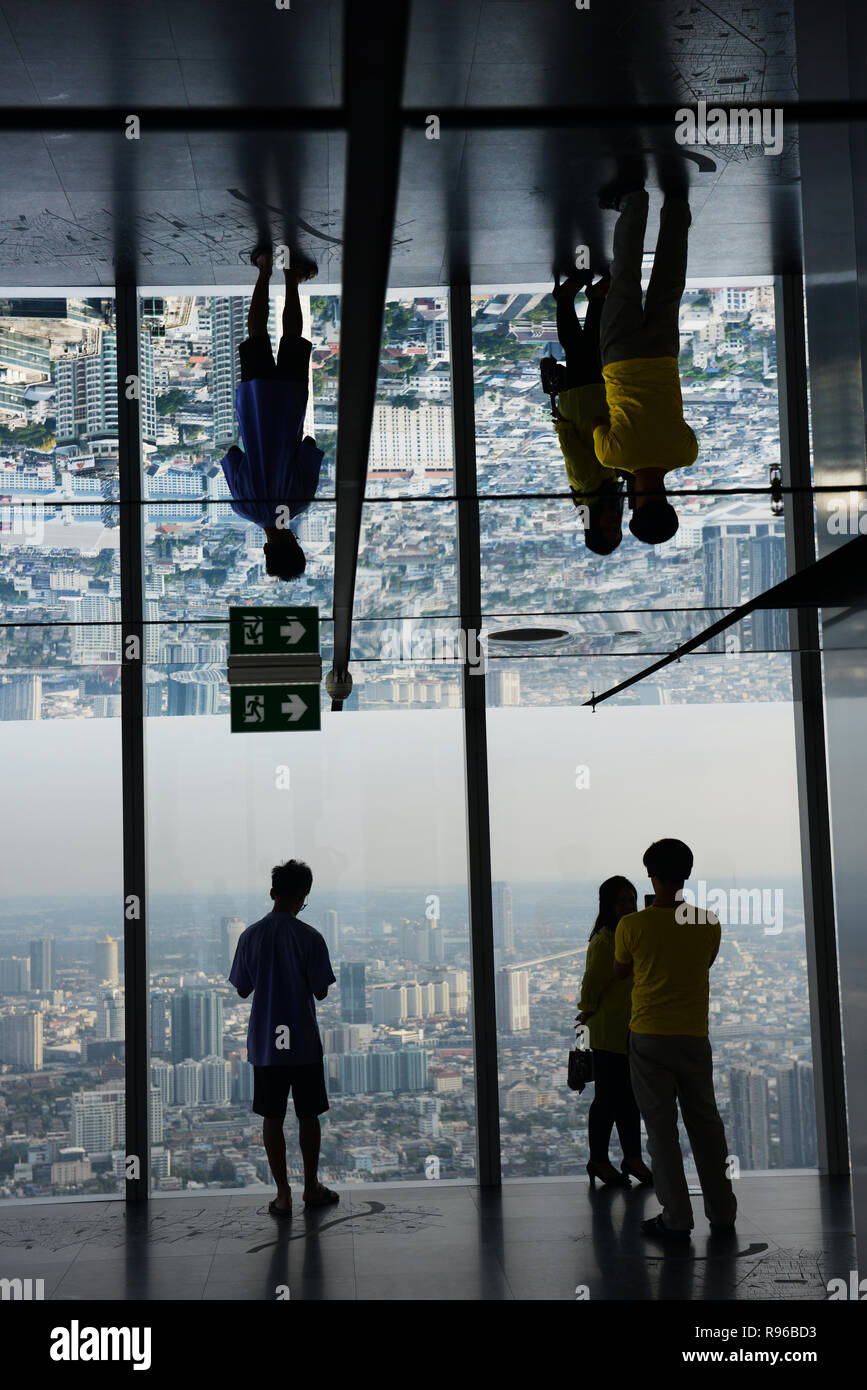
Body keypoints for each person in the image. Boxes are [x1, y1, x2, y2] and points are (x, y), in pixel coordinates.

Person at [613, 838, 737, 1243]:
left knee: (661, 1131)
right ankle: (722, 1211)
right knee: (706, 1124)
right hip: (693, 1035)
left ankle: (676, 1217)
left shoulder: (632, 926)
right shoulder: (708, 922)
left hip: (649, 1035)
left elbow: (621, 971)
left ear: (650, 874)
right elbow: (704, 963)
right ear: (686, 874)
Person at [228, 858, 339, 1215]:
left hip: (267, 1044)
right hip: (303, 1042)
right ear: (303, 897)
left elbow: (243, 989)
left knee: (271, 1117)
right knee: (309, 1115)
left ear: (272, 892)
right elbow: (320, 991)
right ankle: (311, 1187)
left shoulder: (250, 936)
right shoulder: (311, 937)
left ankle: (282, 1194)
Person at [592, 186, 698, 545]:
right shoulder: (612, 457)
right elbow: (596, 422)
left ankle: (677, 208)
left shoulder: (686, 453)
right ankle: (632, 201)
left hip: (663, 356)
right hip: (620, 361)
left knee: (668, 283)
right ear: (636, 507)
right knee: (624, 278)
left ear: (670, 505)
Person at [219, 246, 324, 580]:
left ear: (296, 544)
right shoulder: (243, 507)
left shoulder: (299, 502)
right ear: (266, 550)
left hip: (289, 402)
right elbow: (233, 455)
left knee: (292, 337)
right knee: (256, 336)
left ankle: (291, 277)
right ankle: (264, 268)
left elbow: (308, 445)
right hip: (253, 402)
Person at [576, 876, 653, 1189]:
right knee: (608, 1098)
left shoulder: (629, 936)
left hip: (631, 1027)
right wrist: (587, 1009)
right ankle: (600, 1160)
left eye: (632, 900)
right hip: (609, 1030)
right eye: (622, 900)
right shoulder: (606, 940)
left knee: (628, 1098)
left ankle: (631, 1158)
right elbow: (592, 982)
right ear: (608, 905)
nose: (629, 906)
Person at [550, 271, 624, 555]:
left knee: (578, 349)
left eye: (606, 528)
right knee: (591, 349)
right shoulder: (605, 488)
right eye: (615, 528)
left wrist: (564, 426)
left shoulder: (588, 486)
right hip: (594, 399)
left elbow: (572, 450)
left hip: (581, 403)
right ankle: (594, 300)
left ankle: (567, 299)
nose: (612, 522)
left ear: (593, 526)